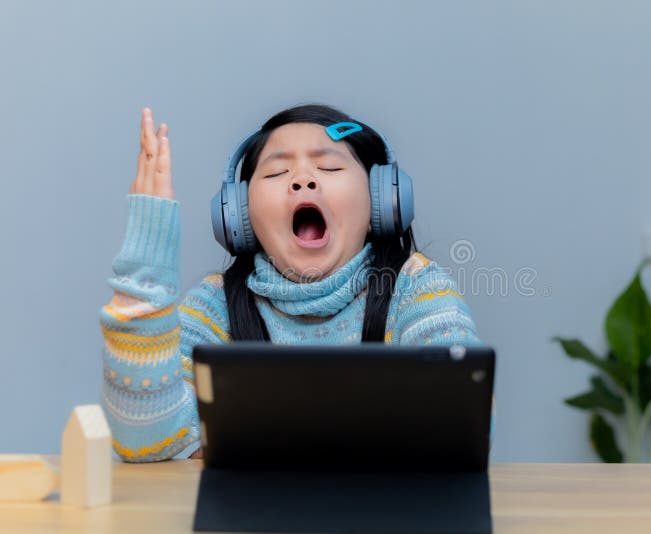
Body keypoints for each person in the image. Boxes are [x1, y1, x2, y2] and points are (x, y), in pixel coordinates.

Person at [100, 104, 482, 462]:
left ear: (380, 204)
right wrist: (146, 263)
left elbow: (462, 422)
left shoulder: (416, 288)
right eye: (276, 173)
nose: (302, 181)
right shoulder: (215, 306)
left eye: (329, 167)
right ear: (241, 219)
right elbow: (143, 438)